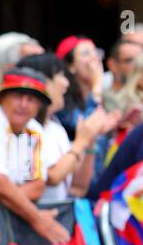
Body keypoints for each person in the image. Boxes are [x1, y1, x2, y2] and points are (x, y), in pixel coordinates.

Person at [0, 67, 69, 244]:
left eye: (31, 99)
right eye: (17, 96)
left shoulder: (34, 129)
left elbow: (37, 186)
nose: (23, 105)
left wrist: (3, 198)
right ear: (2, 98)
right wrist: (36, 218)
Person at [17, 52, 117, 203]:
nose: (66, 83)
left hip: (62, 212)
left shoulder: (56, 127)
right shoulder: (23, 127)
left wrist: (90, 140)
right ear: (43, 82)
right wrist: (81, 141)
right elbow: (52, 176)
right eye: (60, 76)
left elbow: (78, 188)